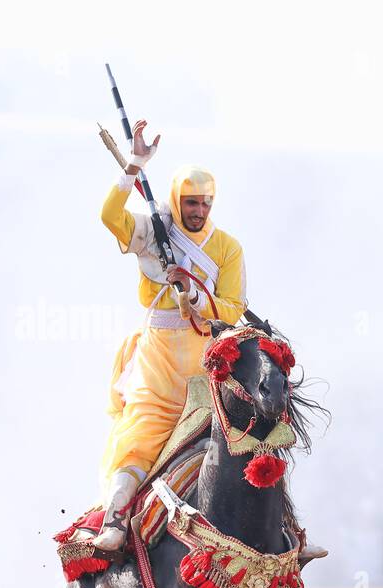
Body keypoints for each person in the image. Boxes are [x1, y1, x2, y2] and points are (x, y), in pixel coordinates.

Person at [92, 120, 248, 551]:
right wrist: (134, 165)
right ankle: (116, 520)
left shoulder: (228, 248)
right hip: (157, 367)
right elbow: (109, 216)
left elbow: (232, 310)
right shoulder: (149, 230)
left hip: (208, 365)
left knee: (259, 432)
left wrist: (194, 291)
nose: (198, 210)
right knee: (139, 438)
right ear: (177, 200)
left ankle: (282, 534)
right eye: (191, 202)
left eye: (205, 203)